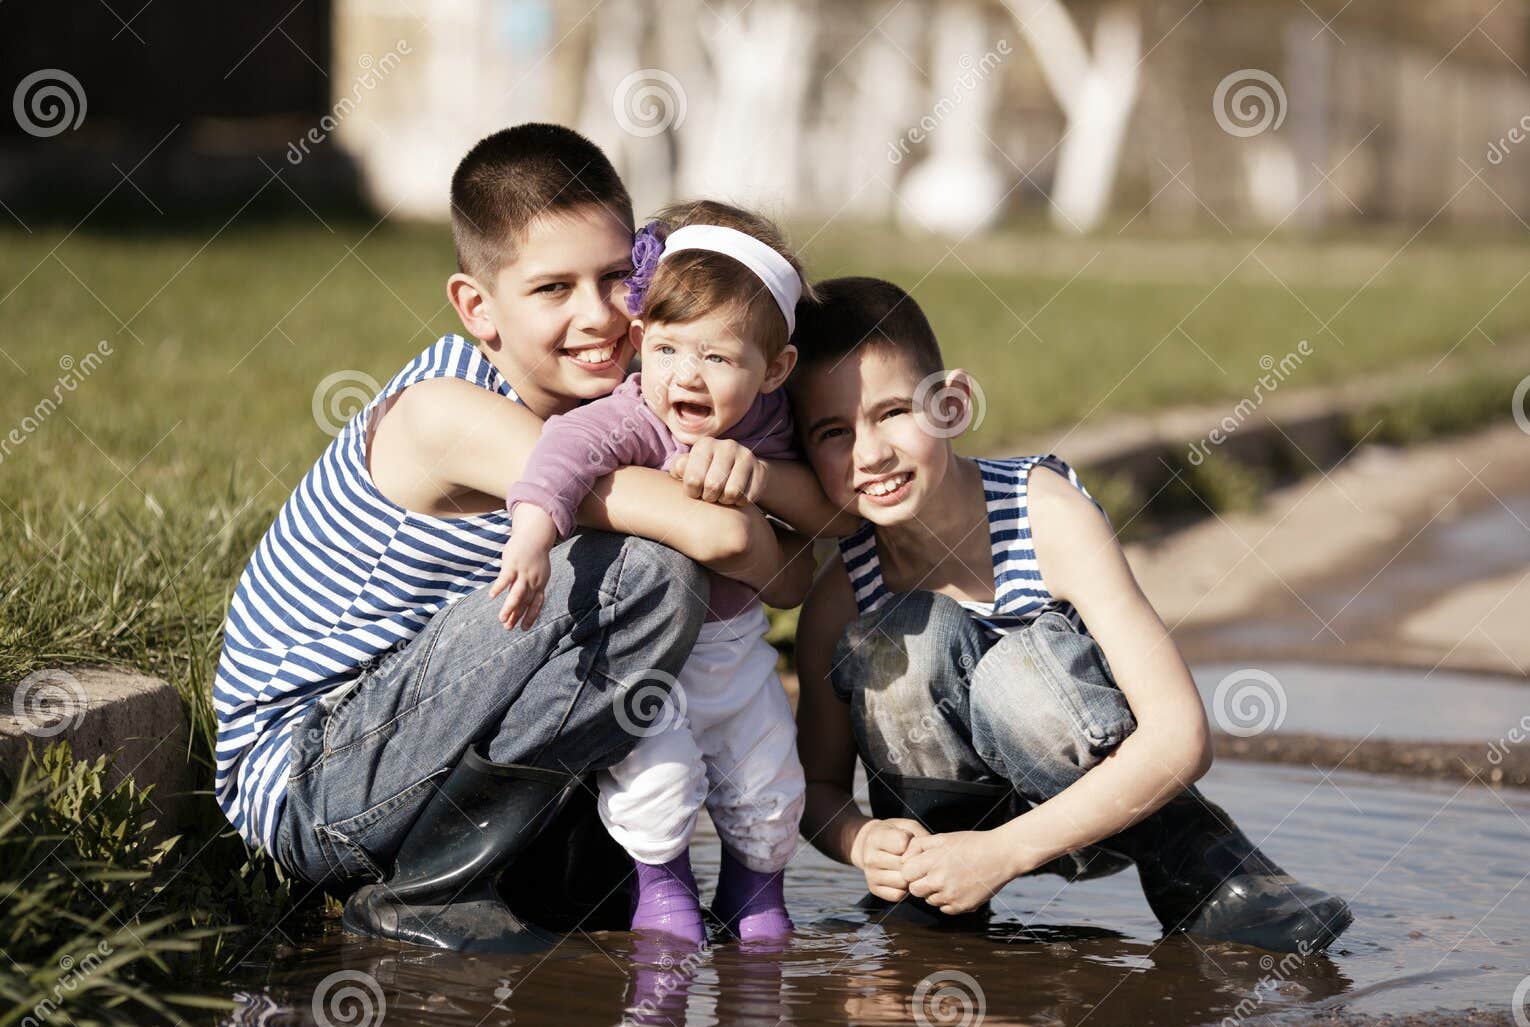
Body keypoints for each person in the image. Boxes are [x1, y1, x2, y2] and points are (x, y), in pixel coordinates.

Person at [212, 124, 800, 953]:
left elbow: (779, 568)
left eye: (613, 280)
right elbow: (713, 536)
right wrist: (751, 499)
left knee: (606, 884)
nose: (598, 316)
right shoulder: (443, 412)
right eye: (553, 289)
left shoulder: (620, 403)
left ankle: (540, 870)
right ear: (477, 306)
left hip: (418, 745)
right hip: (315, 782)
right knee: (646, 570)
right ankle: (425, 894)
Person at [788, 276, 1354, 953]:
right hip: (954, 844)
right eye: (833, 432)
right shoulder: (841, 594)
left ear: (952, 403)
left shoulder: (1048, 517)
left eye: (891, 413)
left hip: (1106, 804)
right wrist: (862, 841)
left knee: (1011, 675)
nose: (871, 452)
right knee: (902, 636)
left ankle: (1205, 871)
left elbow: (1181, 737)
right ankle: (934, 897)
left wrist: (1002, 854)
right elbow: (817, 785)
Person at [495, 201, 843, 943]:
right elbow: (560, 456)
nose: (688, 376)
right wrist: (530, 537)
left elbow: (825, 515)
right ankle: (664, 891)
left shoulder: (768, 428)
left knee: (769, 777)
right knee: (657, 779)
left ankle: (755, 894)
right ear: (641, 341)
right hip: (649, 660)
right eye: (670, 351)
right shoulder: (634, 420)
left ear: (773, 369)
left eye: (717, 358)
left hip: (738, 647)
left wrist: (759, 475)